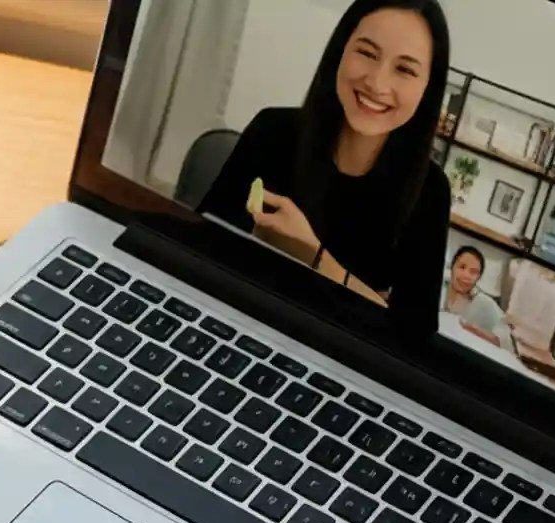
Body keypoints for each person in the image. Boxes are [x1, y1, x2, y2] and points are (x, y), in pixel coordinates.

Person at [197, 0, 452, 330]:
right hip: (235, 323)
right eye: (367, 52)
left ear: (427, 88)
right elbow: (201, 245)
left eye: (404, 69)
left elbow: (413, 340)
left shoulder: (430, 191)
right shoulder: (271, 131)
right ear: (340, 52)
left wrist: (313, 256)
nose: (377, 83)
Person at [441, 245, 512, 348]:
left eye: (473, 272)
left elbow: (507, 342)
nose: (466, 275)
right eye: (462, 267)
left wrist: (478, 333)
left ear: (479, 277)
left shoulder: (484, 304)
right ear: (452, 267)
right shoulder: (439, 286)